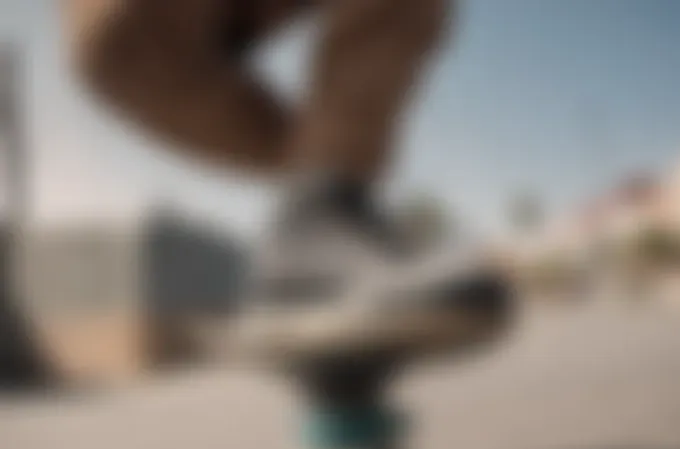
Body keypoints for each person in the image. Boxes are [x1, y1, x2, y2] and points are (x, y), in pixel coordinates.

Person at [63, 0, 506, 348]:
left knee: (319, 166)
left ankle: (323, 232)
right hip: (135, 45)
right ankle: (319, 226)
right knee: (324, 166)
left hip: (121, 51)